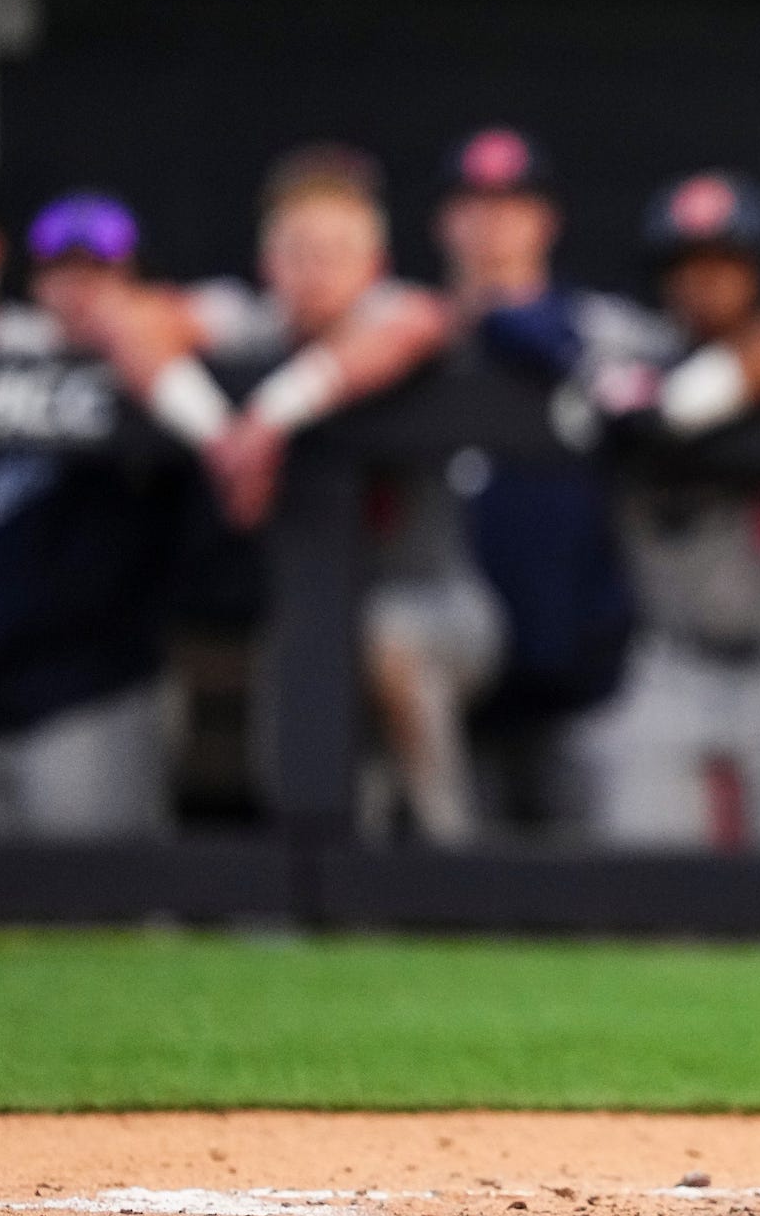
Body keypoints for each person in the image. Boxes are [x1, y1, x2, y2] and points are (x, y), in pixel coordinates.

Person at [90, 149, 495, 845]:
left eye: (337, 250)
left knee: (385, 642)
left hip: (439, 606)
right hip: (307, 616)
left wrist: (272, 415)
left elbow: (414, 327)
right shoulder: (251, 318)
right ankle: (317, 900)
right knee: (298, 721)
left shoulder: (394, 312)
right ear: (267, 261)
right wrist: (218, 432)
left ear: (373, 264)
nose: (316, 269)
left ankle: (452, 857)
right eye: (298, 249)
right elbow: (123, 321)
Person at [575, 169, 760, 850]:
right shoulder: (635, 355)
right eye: (686, 264)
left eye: (726, 262)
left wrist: (681, 409)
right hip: (670, 662)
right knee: (650, 889)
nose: (705, 282)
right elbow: (540, 334)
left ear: (758, 269)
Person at [436, 126, 644, 828]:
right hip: (454, 676)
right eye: (476, 203)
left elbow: (652, 393)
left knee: (595, 907)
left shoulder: (606, 330)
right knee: (446, 904)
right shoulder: (412, 335)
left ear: (546, 220)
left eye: (514, 203)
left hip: (583, 674)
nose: (493, 223)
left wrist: (535, 337)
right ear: (446, 221)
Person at [0, 195, 185, 840]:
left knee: (96, 900)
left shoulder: (169, 366)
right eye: (61, 273)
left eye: (97, 275)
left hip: (90, 689)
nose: (77, 292)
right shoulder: (15, 349)